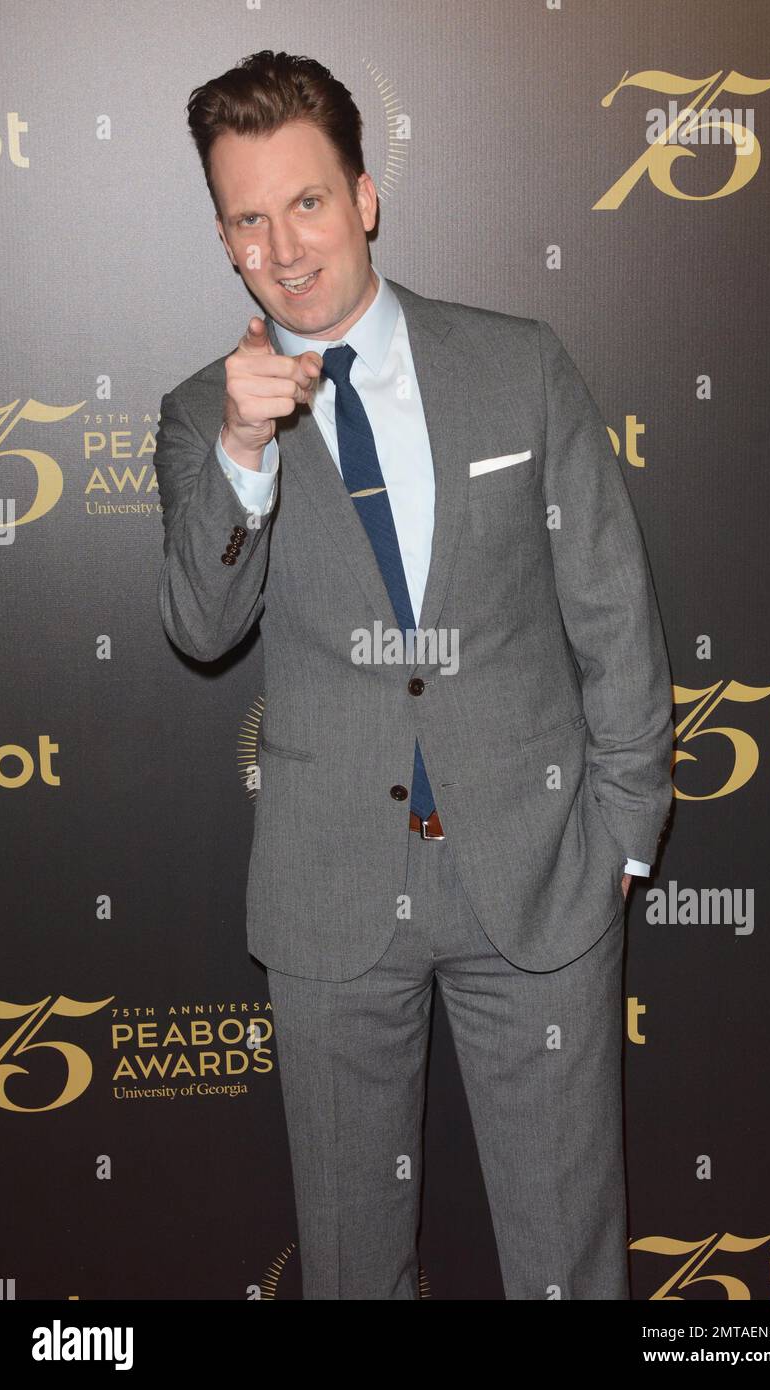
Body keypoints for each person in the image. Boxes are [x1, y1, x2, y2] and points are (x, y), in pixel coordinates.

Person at [153, 49, 674, 1300]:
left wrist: (623, 838)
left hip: (541, 880)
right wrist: (243, 449)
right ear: (224, 239)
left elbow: (614, 613)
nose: (284, 247)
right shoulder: (198, 418)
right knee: (350, 1267)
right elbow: (199, 622)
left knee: (567, 1261)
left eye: (309, 202)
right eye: (248, 218)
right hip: (332, 900)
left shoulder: (521, 364)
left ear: (367, 198)